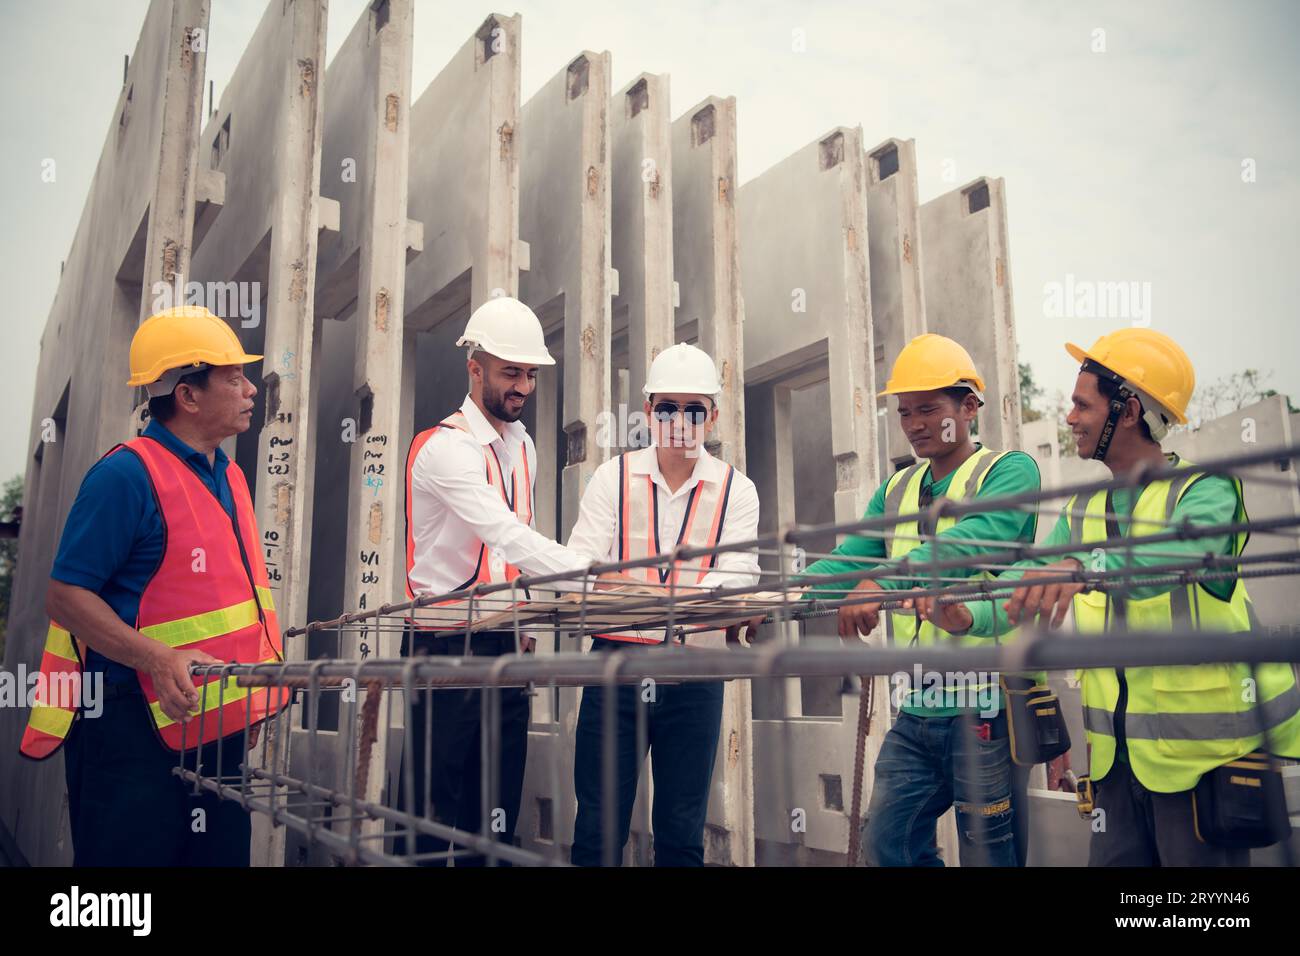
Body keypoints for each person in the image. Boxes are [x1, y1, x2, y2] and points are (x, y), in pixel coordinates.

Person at [919, 328, 1300, 865]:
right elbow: (1024, 586)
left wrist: (1082, 567)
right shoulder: (1082, 510)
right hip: (1116, 768)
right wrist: (965, 616)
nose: (1070, 417)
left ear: (1127, 410)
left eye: (1082, 404)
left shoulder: (1205, 490)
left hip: (1203, 766)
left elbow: (1183, 559)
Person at [22, 305, 288, 866]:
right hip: (130, 729)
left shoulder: (230, 475)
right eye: (232, 377)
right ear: (187, 396)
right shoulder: (125, 476)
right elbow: (65, 598)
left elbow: (234, 604)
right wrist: (157, 659)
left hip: (214, 728)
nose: (249, 390)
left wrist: (251, 703)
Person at [796, 334, 1042, 866]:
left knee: (988, 853)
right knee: (889, 843)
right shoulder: (898, 488)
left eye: (928, 409)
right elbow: (850, 560)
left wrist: (884, 582)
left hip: (986, 705)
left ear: (969, 406)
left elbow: (967, 544)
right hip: (919, 706)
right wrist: (781, 596)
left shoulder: (1009, 472)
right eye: (905, 412)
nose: (914, 425)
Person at [400, 296, 597, 865]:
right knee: (433, 811)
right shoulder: (445, 450)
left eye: (530, 374)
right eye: (511, 372)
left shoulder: (523, 447)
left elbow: (518, 546)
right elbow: (508, 534)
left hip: (505, 644)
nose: (523, 387)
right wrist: (591, 582)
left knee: (497, 808)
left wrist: (530, 614)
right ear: (475, 367)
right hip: (445, 647)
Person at [565, 343, 761, 866]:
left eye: (693, 409)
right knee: (598, 828)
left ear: (712, 416)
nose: (680, 420)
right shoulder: (612, 478)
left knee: (680, 832)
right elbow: (580, 568)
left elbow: (739, 576)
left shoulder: (736, 491)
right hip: (616, 667)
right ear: (649, 411)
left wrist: (628, 590)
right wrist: (698, 596)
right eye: (667, 407)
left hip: (695, 674)